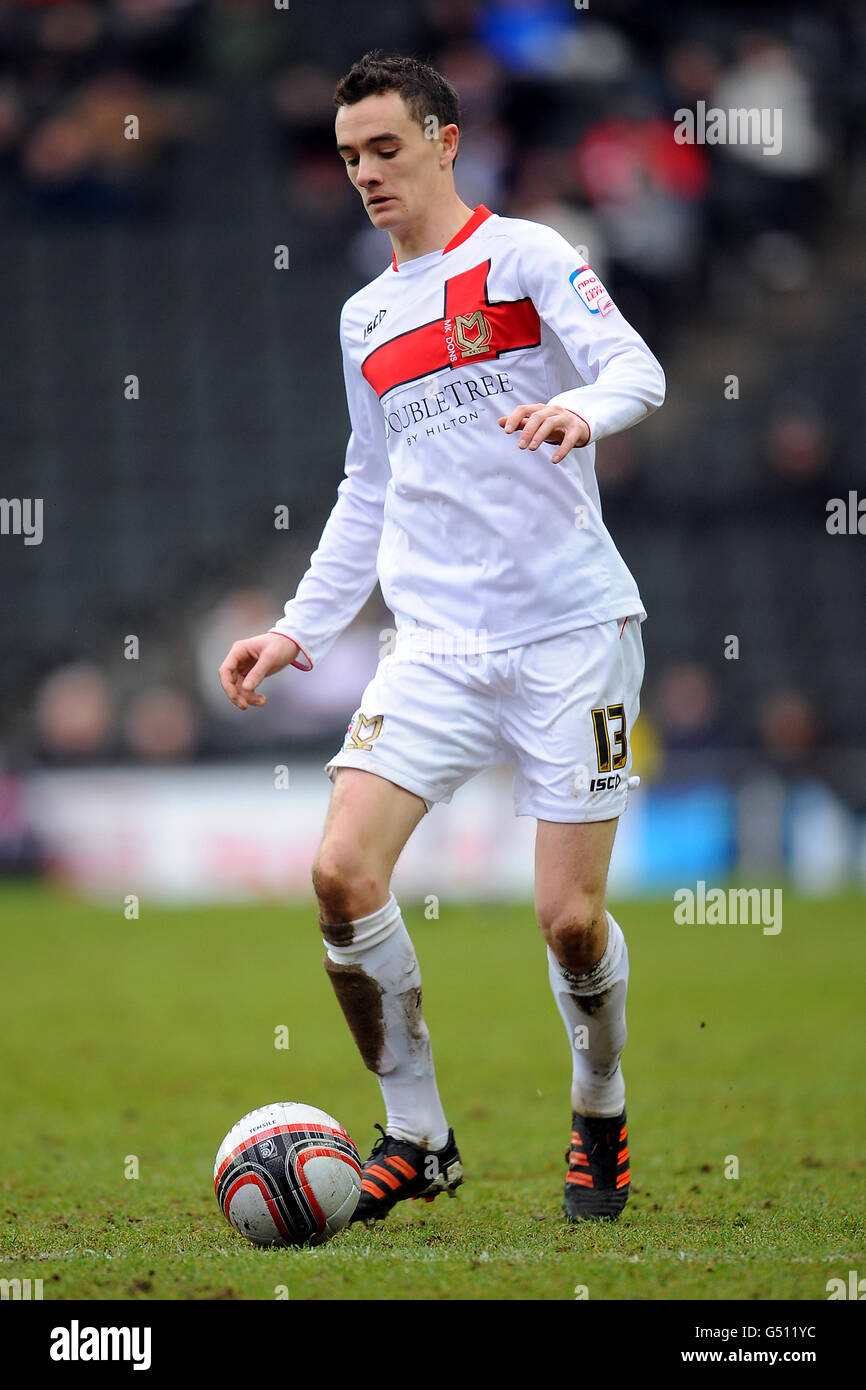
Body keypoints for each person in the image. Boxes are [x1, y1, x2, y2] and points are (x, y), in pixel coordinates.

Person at [218, 52, 665, 1225]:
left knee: (569, 922)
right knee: (338, 873)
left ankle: (599, 1107)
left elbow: (637, 367)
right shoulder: (364, 312)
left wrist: (581, 408)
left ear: (444, 139)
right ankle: (417, 1133)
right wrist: (297, 628)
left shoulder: (522, 255)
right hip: (433, 645)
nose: (365, 173)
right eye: (349, 155)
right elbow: (367, 484)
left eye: (384, 148)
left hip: (570, 628)